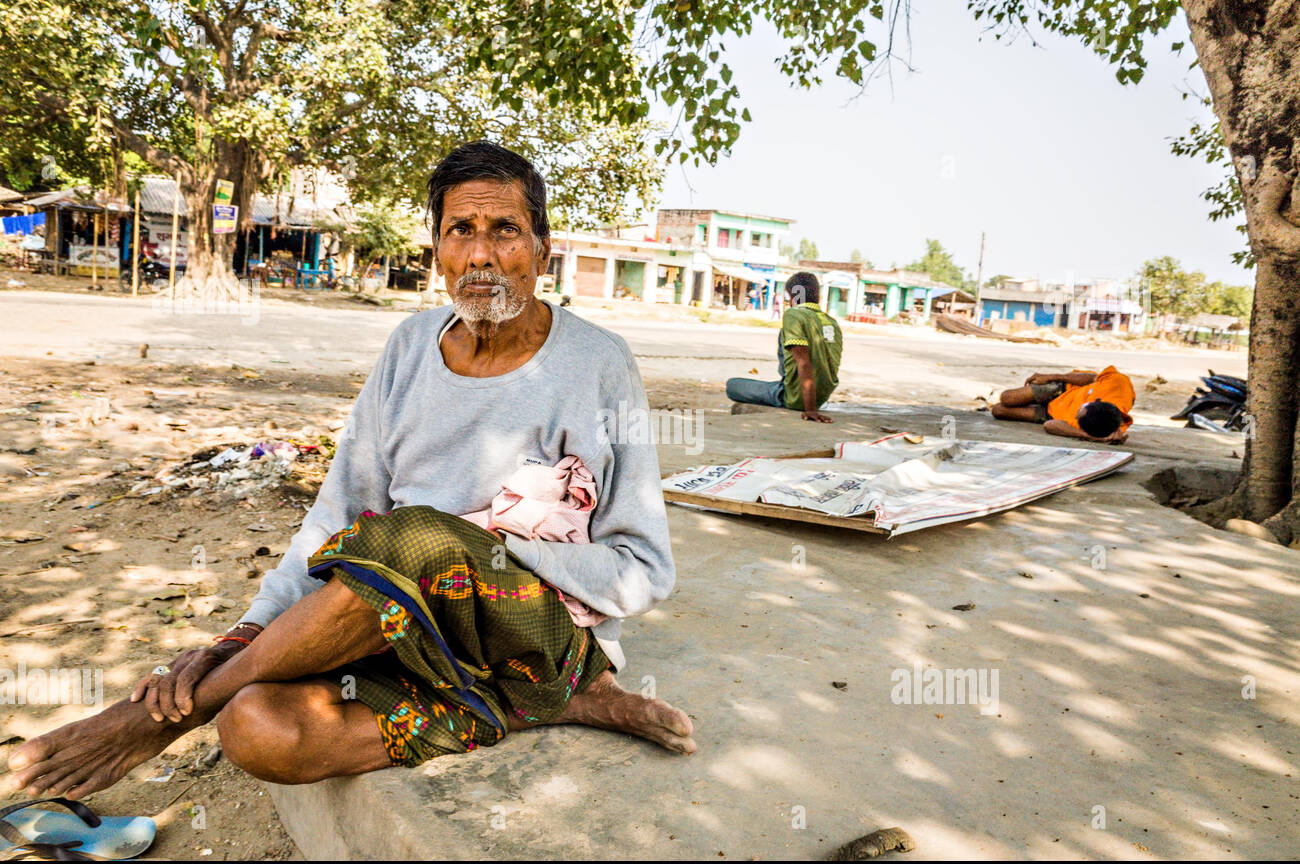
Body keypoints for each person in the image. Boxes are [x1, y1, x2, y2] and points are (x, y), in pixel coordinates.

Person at [7, 141, 695, 802]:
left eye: (505, 230)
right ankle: (531, 710)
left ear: (543, 250)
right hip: (405, 630)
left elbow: (643, 566)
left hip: (533, 634)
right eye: (461, 230)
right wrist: (241, 637)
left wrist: (471, 549)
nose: (482, 253)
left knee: (414, 541)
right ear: (437, 253)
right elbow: (337, 513)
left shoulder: (598, 364)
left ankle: (164, 721)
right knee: (255, 727)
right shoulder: (408, 348)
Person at [725, 271, 843, 423]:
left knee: (732, 385)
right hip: (821, 397)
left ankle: (791, 394)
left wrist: (810, 410)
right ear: (817, 296)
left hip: (794, 396)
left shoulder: (794, 315)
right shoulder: (831, 321)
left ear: (793, 296)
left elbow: (804, 363)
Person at [990, 365, 1134, 443]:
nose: (1077, 413)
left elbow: (1050, 425)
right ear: (1096, 402)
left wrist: (1088, 436)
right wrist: (1052, 377)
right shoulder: (1118, 383)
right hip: (1063, 391)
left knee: (998, 410)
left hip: (1052, 415)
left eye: (1078, 418)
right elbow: (1091, 377)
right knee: (1007, 398)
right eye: (1082, 409)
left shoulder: (1103, 427)